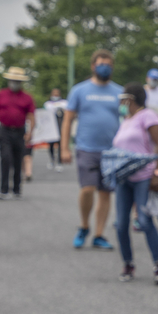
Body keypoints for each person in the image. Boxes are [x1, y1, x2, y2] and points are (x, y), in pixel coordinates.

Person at [60, 50, 123, 250]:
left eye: (108, 64)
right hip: (87, 148)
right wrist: (64, 148)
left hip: (111, 151)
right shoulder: (80, 90)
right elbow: (68, 120)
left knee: (105, 193)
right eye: (101, 63)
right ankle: (84, 225)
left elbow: (128, 119)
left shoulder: (119, 92)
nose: (105, 67)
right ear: (93, 66)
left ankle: (98, 234)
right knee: (87, 189)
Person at [112, 84, 158, 284]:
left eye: (123, 99)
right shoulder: (126, 120)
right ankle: (128, 264)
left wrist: (157, 172)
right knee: (120, 224)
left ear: (131, 99)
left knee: (144, 221)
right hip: (123, 178)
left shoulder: (147, 116)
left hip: (144, 176)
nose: (120, 103)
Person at [0, 67, 35, 200]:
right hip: (4, 130)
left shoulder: (27, 97)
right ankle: (3, 189)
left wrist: (30, 132)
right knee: (5, 157)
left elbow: (31, 115)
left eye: (17, 81)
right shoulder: (1, 94)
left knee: (17, 159)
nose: (14, 83)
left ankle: (16, 187)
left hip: (20, 130)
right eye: (13, 80)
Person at [44, 88, 66, 171]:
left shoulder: (64, 103)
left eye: (57, 94)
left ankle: (59, 162)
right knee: (51, 145)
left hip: (60, 125)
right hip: (51, 126)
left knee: (60, 144)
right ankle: (52, 159)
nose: (55, 95)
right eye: (54, 94)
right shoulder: (48, 104)